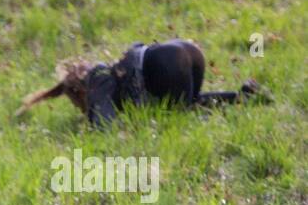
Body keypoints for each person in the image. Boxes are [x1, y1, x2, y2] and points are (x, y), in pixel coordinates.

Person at [19, 40, 271, 127]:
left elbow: (105, 127)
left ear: (79, 91)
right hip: (185, 51)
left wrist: (90, 125)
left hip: (166, 64)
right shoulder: (114, 72)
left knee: (183, 109)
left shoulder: (96, 80)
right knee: (188, 105)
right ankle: (246, 96)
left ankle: (245, 98)